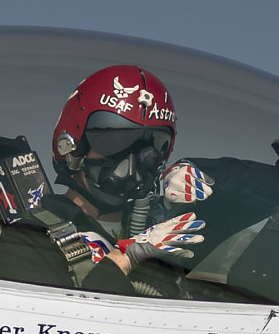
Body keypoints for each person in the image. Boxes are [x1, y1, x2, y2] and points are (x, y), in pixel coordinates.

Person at [34, 66, 215, 288]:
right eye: (113, 143)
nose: (130, 167)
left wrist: (198, 169)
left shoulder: (161, 232)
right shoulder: (31, 238)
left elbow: (254, 197)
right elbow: (59, 320)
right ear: (74, 145)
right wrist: (124, 258)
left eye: (150, 150)